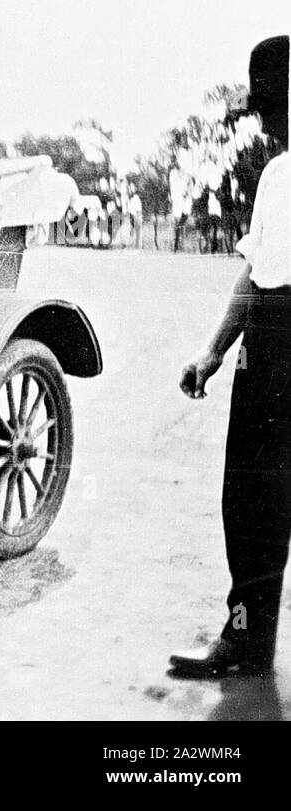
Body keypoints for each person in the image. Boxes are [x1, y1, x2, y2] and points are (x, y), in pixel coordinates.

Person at [171, 35, 289, 678]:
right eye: (264, 108)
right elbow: (253, 271)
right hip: (269, 342)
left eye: (276, 104)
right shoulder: (276, 175)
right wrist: (213, 351)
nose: (268, 121)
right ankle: (247, 638)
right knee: (250, 499)